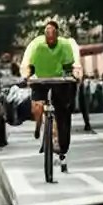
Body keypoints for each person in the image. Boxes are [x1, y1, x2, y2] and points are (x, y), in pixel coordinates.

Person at [20, 19, 81, 170]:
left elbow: (70, 66)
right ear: (44, 34)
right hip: (41, 80)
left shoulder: (66, 44)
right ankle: (38, 124)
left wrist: (73, 76)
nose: (51, 37)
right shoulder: (36, 44)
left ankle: (60, 146)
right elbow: (27, 63)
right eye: (48, 33)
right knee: (37, 104)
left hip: (60, 81)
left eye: (53, 33)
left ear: (58, 34)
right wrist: (26, 74)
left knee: (62, 112)